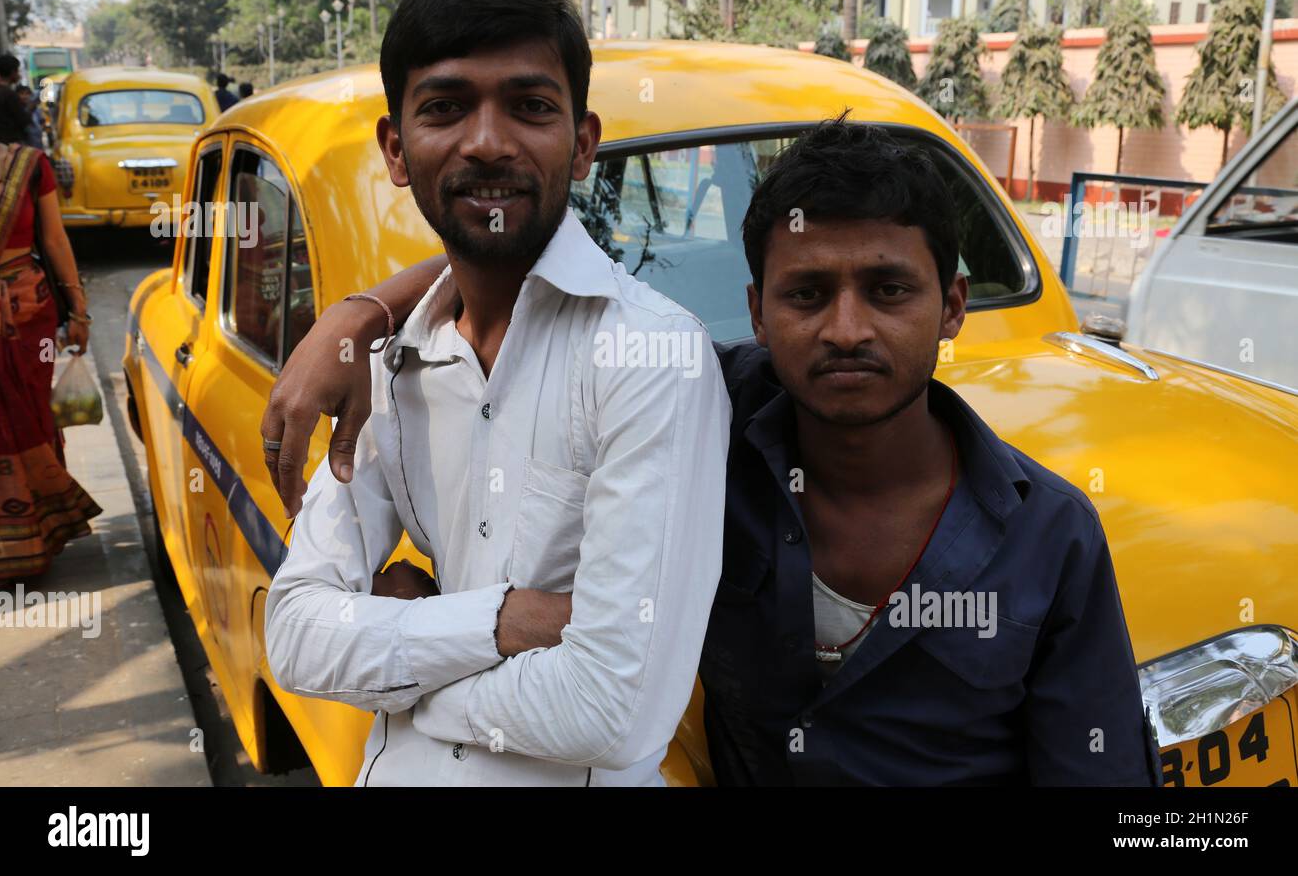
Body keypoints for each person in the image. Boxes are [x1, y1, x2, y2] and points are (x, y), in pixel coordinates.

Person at [266, 108, 1161, 785]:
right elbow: (520, 273)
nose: (847, 330)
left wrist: (416, 681)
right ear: (759, 309)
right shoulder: (696, 410)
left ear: (952, 305)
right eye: (808, 295)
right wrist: (366, 315)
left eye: (889, 290)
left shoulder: (1050, 538)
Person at [261, 0, 729, 786]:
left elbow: (613, 711)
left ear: (582, 144)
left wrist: (407, 678)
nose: (486, 141)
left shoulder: (652, 357)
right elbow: (295, 633)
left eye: (530, 106)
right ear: (397, 149)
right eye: (446, 107)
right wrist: (504, 619)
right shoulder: (388, 365)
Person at [0, 87, 101, 582]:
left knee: (28, 413)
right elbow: (54, 239)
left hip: (26, 317)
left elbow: (57, 237)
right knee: (32, 415)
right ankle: (38, 529)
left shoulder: (35, 165)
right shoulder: (29, 165)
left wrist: (78, 310)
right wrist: (77, 309)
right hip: (28, 309)